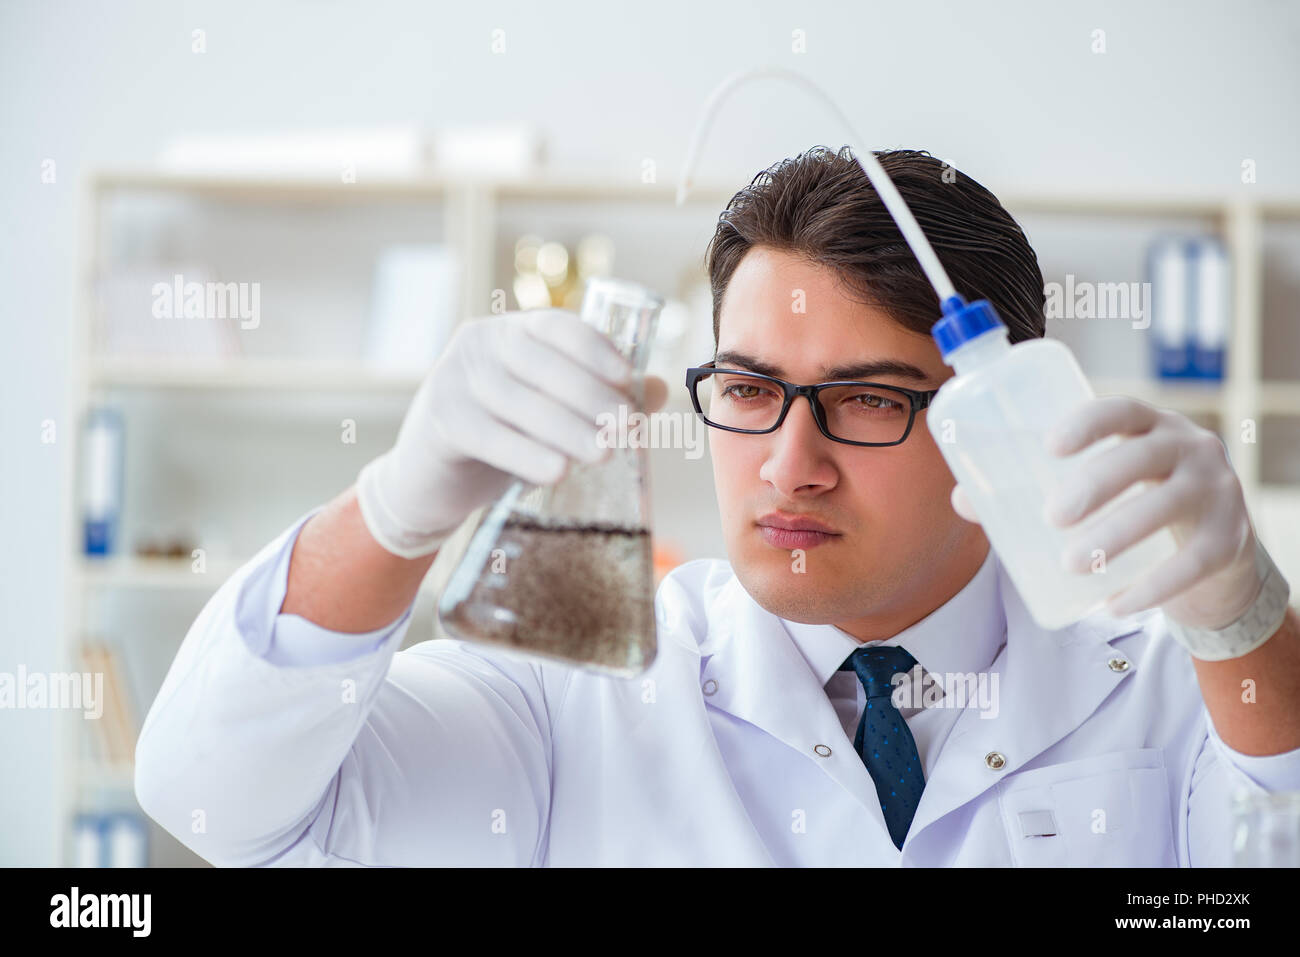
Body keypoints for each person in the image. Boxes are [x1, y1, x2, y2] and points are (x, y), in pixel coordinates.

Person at [135, 147, 1299, 866]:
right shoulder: (573, 691)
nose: (789, 464)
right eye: (746, 390)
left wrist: (1243, 617)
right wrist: (392, 513)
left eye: (866, 401)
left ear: (994, 411)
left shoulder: (1157, 688)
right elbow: (217, 803)